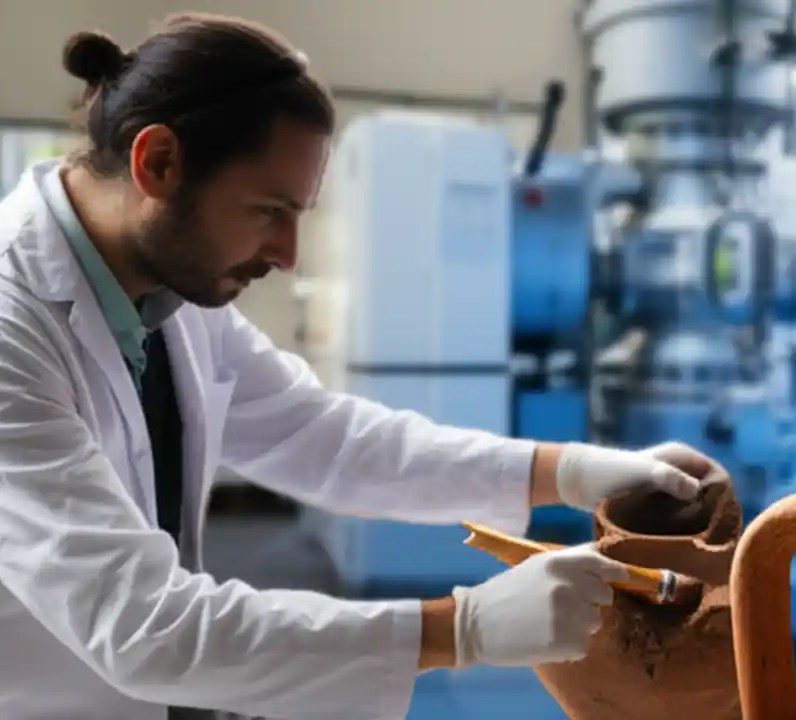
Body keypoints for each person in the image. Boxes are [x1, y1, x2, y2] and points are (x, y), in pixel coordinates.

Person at [0, 13, 730, 720]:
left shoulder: (169, 294)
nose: (287, 255)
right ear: (156, 163)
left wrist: (570, 471)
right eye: (268, 211)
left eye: (299, 216)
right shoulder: (12, 326)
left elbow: (329, 438)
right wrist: (461, 628)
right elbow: (146, 628)